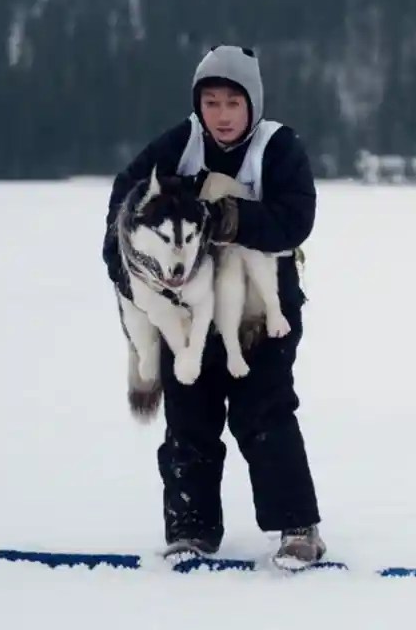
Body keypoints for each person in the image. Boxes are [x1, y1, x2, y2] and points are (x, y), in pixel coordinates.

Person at [101, 44, 325, 566]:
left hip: (260, 310)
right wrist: (123, 264)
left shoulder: (278, 146)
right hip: (190, 309)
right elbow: (124, 201)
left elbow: (297, 219)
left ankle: (298, 528)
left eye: (233, 103)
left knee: (264, 413)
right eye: (211, 102)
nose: (221, 115)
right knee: (189, 418)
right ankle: (191, 529)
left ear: (253, 104)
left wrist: (235, 221)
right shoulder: (180, 144)